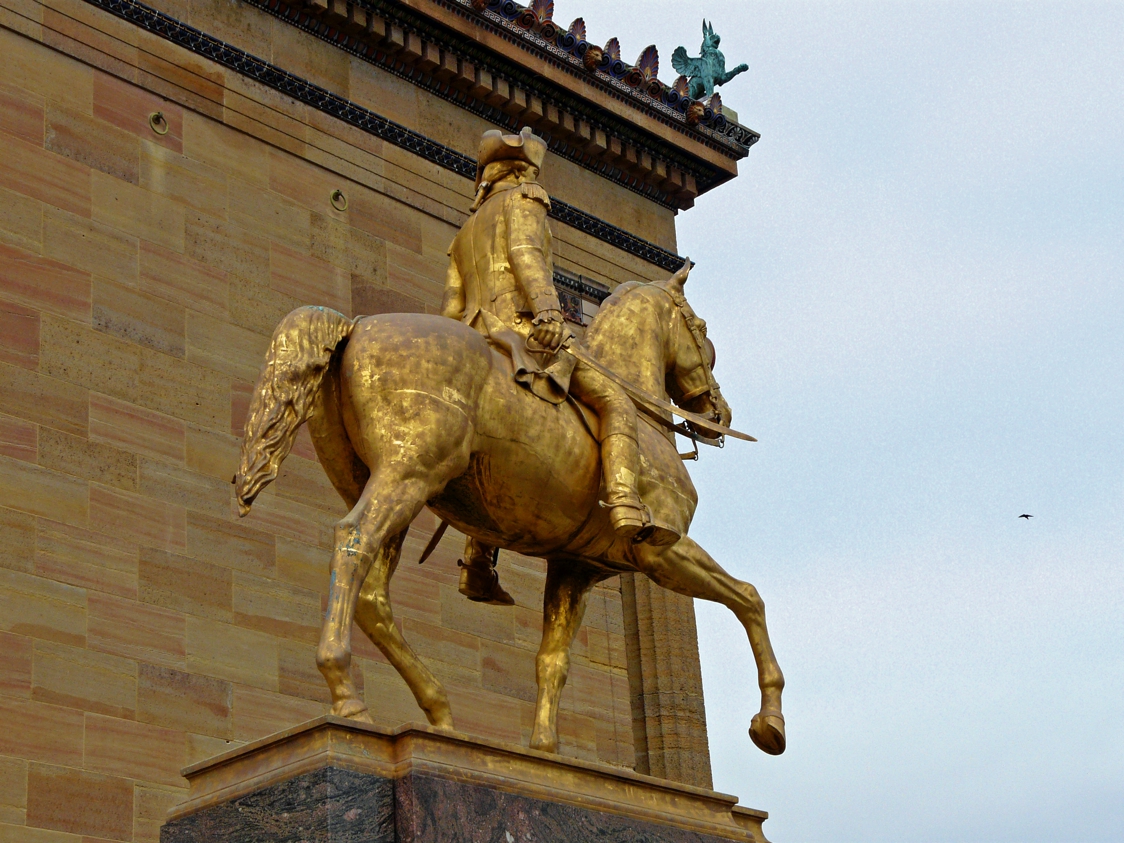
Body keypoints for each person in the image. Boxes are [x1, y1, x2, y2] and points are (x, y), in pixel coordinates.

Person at [441, 128, 674, 605]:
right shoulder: (526, 200)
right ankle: (627, 504)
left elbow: (450, 308)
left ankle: (479, 561)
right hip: (524, 331)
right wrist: (548, 312)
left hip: (474, 335)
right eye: (530, 168)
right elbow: (527, 258)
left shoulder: (464, 234)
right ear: (522, 170)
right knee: (615, 403)